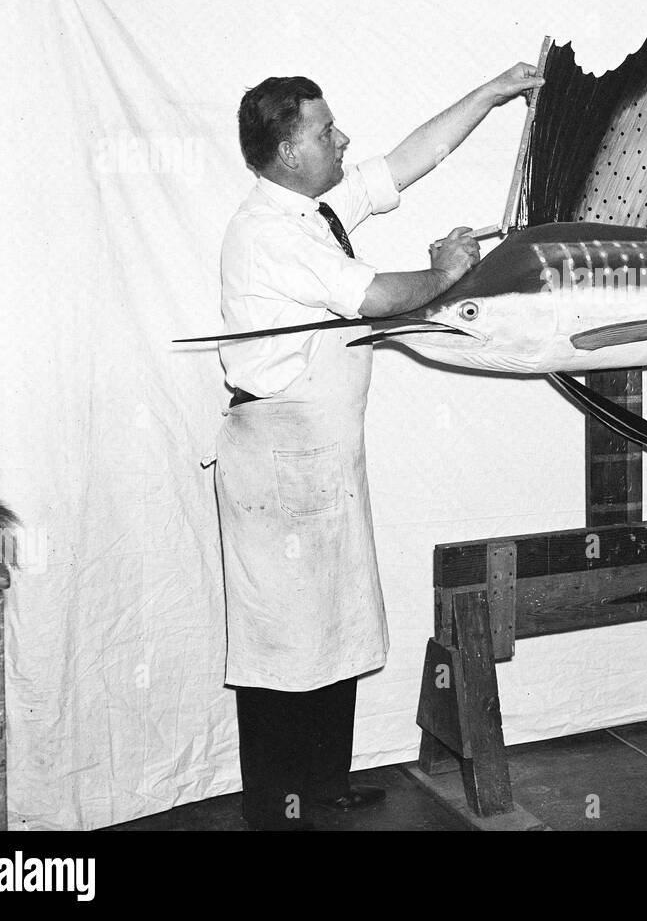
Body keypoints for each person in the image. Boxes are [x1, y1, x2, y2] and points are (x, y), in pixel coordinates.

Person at [214, 64, 542, 831]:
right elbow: (371, 296)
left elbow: (408, 159)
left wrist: (492, 92)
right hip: (278, 463)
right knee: (280, 651)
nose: (343, 138)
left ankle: (324, 782)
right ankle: (277, 808)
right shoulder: (265, 234)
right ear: (289, 150)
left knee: (330, 629)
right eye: (326, 131)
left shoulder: (313, 205)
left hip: (322, 457)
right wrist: (442, 273)